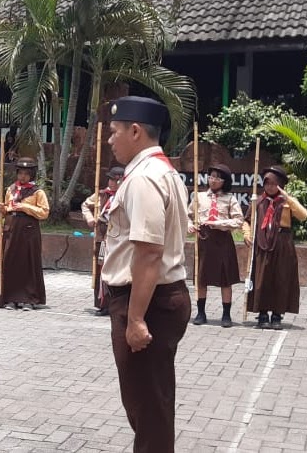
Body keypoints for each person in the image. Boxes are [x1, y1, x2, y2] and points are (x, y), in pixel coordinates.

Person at [100, 95, 191, 452]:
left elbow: (149, 251)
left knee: (147, 408)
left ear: (135, 131)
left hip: (146, 301)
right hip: (156, 296)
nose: (110, 140)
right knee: (150, 402)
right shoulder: (163, 172)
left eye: (114, 131)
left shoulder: (144, 178)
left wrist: (135, 318)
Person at [244, 165, 307, 330]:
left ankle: (277, 314)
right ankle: (263, 313)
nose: (270, 187)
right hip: (262, 244)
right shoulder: (258, 201)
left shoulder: (287, 202)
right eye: (267, 183)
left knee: (281, 277)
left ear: (280, 185)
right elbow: (247, 220)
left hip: (282, 243)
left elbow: (303, 215)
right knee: (262, 278)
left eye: (274, 184)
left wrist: (288, 199)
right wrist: (247, 234)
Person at [188, 164, 244, 328]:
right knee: (201, 277)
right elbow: (188, 215)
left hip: (222, 240)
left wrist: (218, 223)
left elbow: (238, 220)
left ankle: (226, 314)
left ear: (224, 181)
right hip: (204, 240)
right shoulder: (199, 197)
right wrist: (190, 225)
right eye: (211, 176)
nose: (213, 180)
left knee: (225, 278)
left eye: (217, 178)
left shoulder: (230, 199)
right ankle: (200, 312)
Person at [0, 157, 49, 310]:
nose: (23, 177)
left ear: (31, 174)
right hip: (12, 228)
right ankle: (11, 298)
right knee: (11, 262)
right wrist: (2, 209)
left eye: (26, 173)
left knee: (28, 262)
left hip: (29, 230)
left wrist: (25, 207)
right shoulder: (11, 189)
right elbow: (7, 208)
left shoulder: (37, 191)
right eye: (20, 173)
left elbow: (44, 212)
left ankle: (29, 299)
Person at [81, 166, 125, 316]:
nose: (111, 182)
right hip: (102, 237)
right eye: (110, 179)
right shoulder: (101, 195)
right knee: (102, 269)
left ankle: (118, 304)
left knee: (117, 271)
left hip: (119, 239)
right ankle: (103, 303)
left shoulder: (126, 196)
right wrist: (90, 218)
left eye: (114, 180)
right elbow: (86, 205)